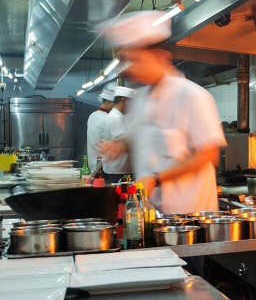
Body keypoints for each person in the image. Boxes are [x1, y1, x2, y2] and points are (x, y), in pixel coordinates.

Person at [99, 11, 227, 214]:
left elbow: (208, 154)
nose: (129, 68)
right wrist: (119, 145)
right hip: (152, 211)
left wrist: (156, 179)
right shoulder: (140, 98)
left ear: (160, 57)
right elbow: (138, 137)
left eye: (135, 60)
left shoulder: (192, 95)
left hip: (190, 216)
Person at [102, 85, 133, 184]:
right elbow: (124, 144)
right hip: (119, 170)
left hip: (119, 169)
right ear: (124, 100)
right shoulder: (116, 118)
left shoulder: (118, 116)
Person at [86, 85, 115, 170]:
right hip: (103, 166)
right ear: (108, 102)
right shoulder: (108, 118)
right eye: (114, 104)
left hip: (93, 164)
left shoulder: (92, 115)